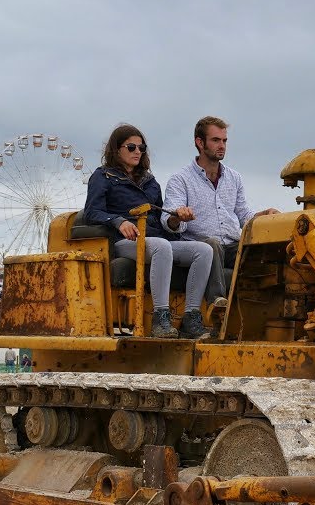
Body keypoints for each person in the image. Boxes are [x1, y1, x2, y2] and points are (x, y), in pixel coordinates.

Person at [84, 123, 214, 339]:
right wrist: (118, 221)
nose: (138, 152)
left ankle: (191, 317)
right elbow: (92, 212)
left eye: (141, 148)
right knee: (162, 247)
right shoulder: (102, 177)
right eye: (131, 147)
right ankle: (160, 318)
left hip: (155, 236)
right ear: (116, 149)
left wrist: (174, 219)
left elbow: (161, 216)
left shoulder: (150, 181)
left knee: (204, 250)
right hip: (125, 241)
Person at [166, 116, 278, 305]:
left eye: (224, 140)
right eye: (216, 140)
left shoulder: (234, 178)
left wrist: (264, 215)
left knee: (267, 252)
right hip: (200, 245)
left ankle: (273, 307)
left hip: (233, 245)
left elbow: (244, 215)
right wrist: (177, 217)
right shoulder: (180, 180)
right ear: (199, 143)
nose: (222, 145)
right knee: (212, 245)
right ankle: (216, 303)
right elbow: (168, 220)